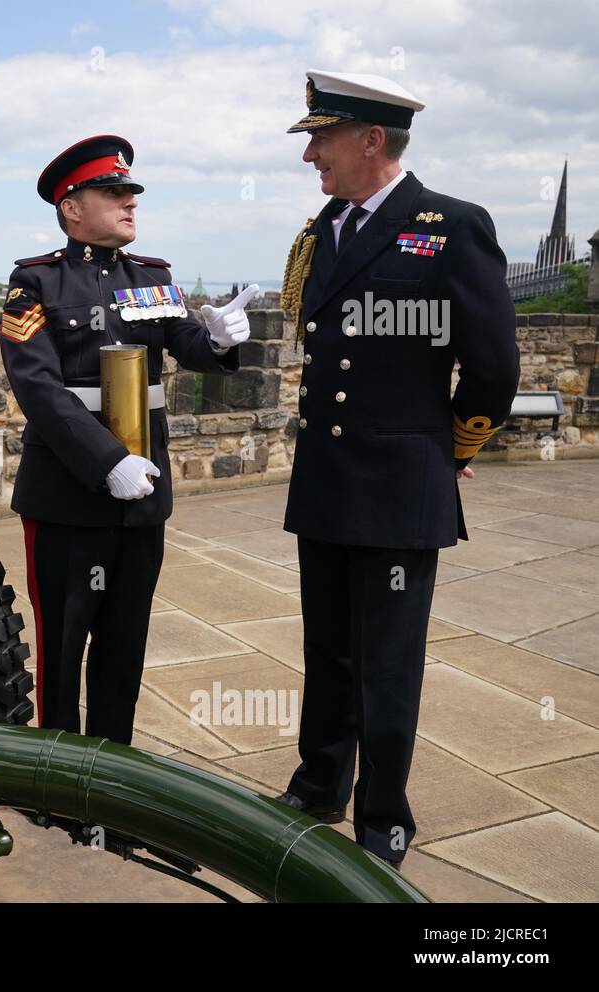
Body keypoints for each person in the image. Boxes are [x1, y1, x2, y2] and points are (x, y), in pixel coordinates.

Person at [276, 71, 520, 867]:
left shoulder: (450, 226)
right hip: (328, 476)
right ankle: (318, 784)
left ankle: (383, 815)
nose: (312, 153)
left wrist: (453, 449)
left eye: (322, 137)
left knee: (387, 663)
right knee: (329, 649)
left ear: (370, 140)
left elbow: (491, 364)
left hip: (397, 479)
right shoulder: (327, 227)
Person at [0, 134, 255, 745]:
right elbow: (38, 388)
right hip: (68, 494)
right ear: (71, 208)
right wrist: (108, 460)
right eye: (113, 192)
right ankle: (55, 771)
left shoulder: (154, 277)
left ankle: (113, 764)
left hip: (143, 499)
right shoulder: (35, 284)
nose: (129, 202)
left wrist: (219, 339)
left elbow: (187, 346)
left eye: (131, 191)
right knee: (63, 641)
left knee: (125, 639)